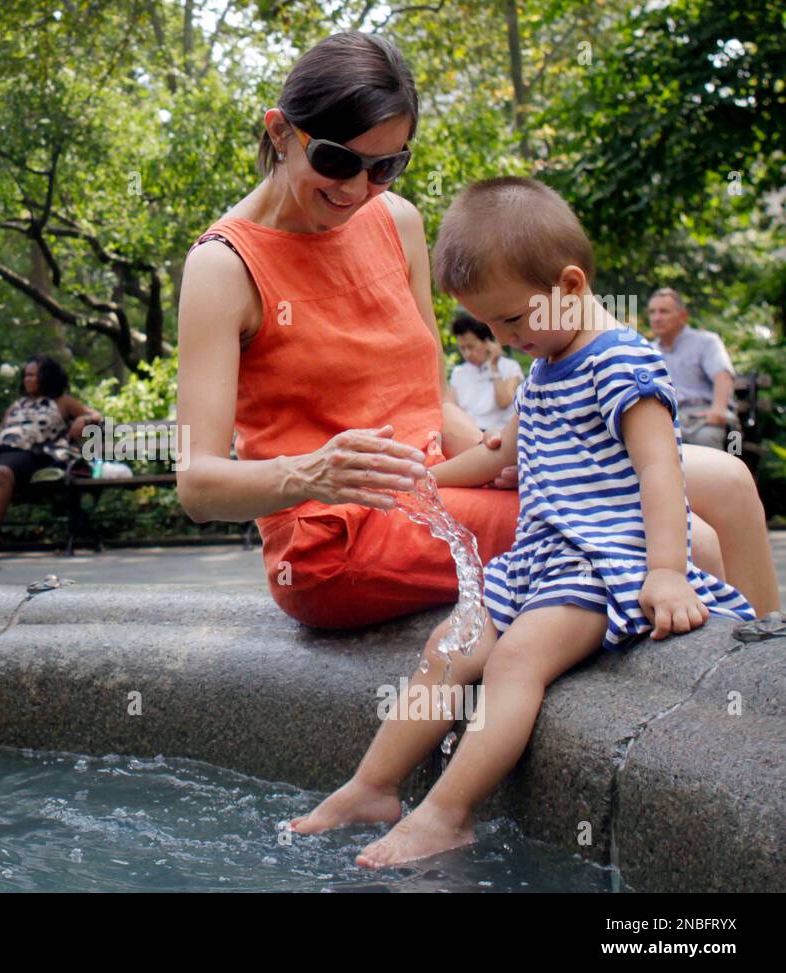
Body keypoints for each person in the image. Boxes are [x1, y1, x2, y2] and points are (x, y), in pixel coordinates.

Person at [175, 30, 780, 629]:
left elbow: (432, 401)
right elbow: (198, 486)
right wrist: (314, 472)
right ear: (281, 131)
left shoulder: (395, 220)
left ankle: (762, 686)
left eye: (385, 165)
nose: (358, 190)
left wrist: (512, 454)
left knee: (727, 481)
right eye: (337, 160)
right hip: (343, 531)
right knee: (682, 540)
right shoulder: (223, 266)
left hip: (438, 483)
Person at [292, 177, 756, 867]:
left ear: (569, 285)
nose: (505, 339)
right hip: (539, 561)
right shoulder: (544, 368)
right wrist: (416, 480)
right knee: (450, 647)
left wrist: (665, 572)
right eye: (493, 328)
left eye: (510, 323)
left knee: (514, 661)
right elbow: (497, 456)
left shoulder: (622, 362)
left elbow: (663, 473)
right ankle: (373, 785)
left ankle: (447, 814)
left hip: (609, 563)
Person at [0, 355, 101, 562]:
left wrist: (84, 418)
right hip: (4, 453)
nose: (27, 380)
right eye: (25, 375)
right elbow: (2, 430)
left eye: (32, 375)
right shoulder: (17, 405)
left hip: (36, 455)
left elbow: (97, 417)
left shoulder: (63, 402)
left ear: (47, 377)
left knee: (1, 474)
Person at [647, 287, 739, 451]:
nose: (657, 318)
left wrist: (718, 410)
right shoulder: (647, 350)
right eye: (652, 312)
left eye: (664, 312)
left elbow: (722, 376)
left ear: (683, 316)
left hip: (703, 415)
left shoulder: (706, 342)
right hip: (667, 419)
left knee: (707, 439)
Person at [444, 312, 523, 440]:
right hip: (470, 435)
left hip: (500, 435)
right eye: (462, 348)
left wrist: (494, 368)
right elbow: (450, 407)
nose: (467, 354)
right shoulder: (459, 373)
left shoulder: (509, 367)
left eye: (471, 347)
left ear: (487, 342)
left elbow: (504, 402)